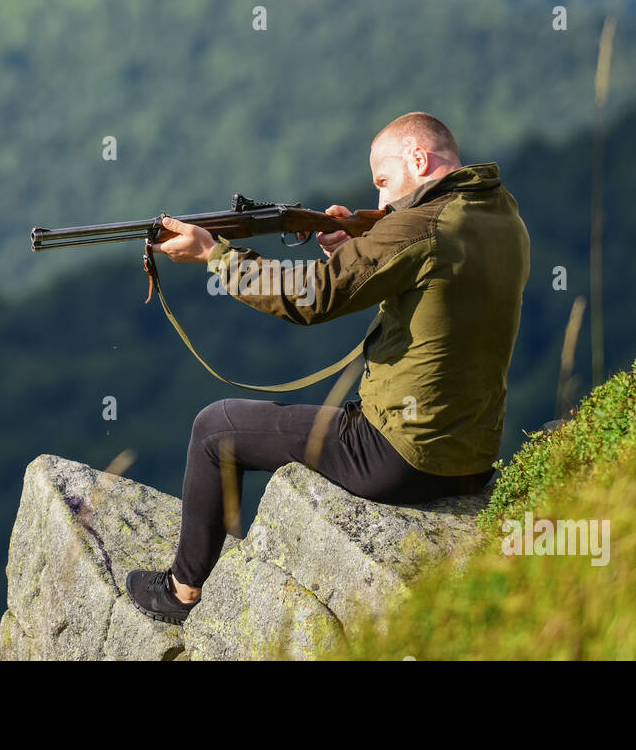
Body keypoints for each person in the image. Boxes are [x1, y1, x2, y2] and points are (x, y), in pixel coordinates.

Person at [126, 112, 531, 624]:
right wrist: (357, 247)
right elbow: (436, 282)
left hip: (399, 457)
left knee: (215, 428)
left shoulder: (421, 225)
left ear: (419, 160)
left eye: (384, 183)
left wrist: (216, 254)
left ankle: (180, 592)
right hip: (470, 459)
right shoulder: (500, 211)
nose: (381, 202)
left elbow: (311, 297)